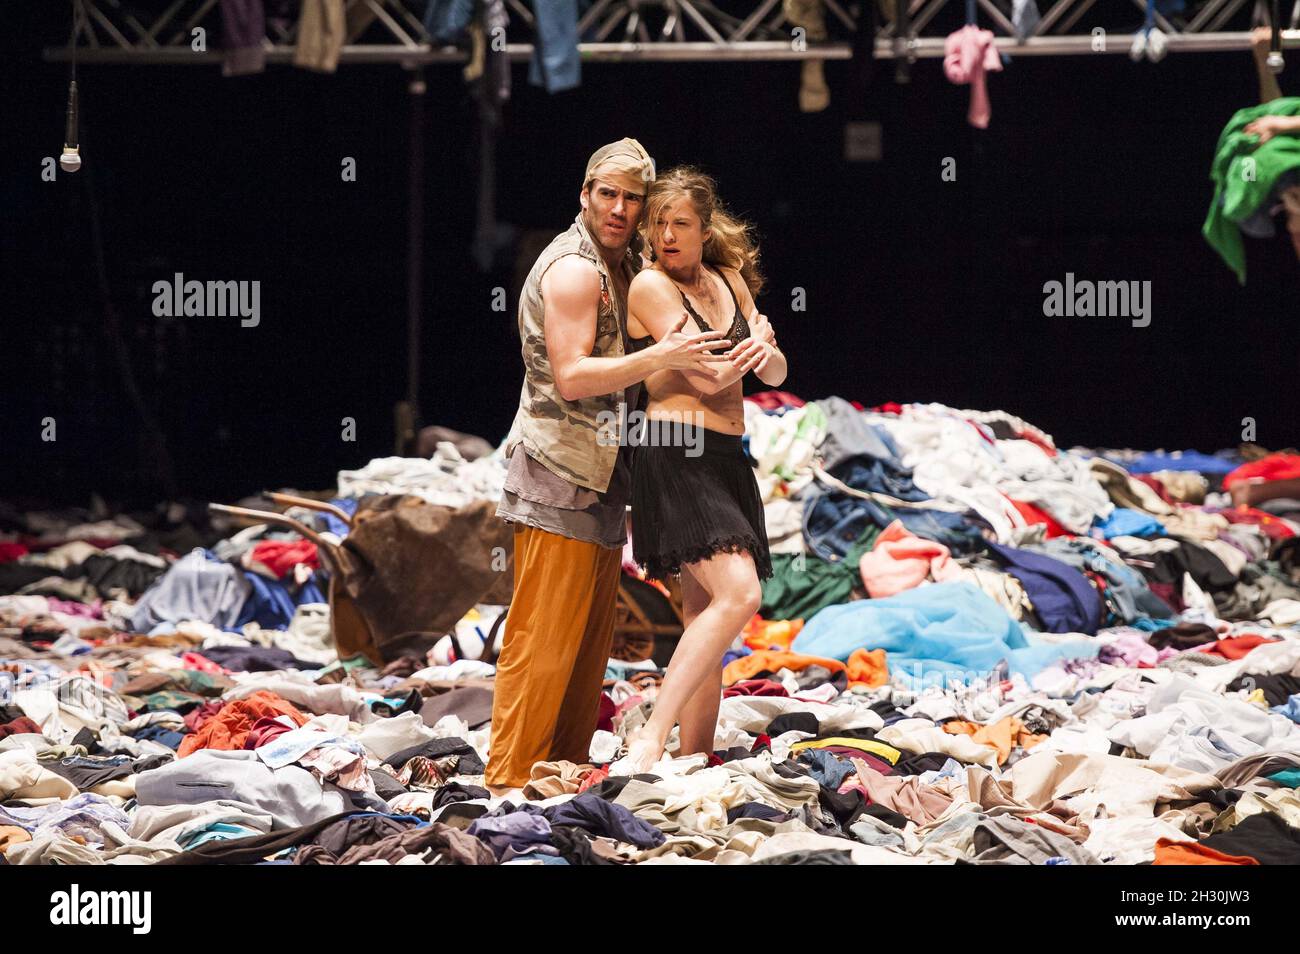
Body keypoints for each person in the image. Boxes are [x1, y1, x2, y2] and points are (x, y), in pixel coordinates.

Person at [486, 139, 768, 794]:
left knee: (586, 650)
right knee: (544, 639)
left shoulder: (624, 264)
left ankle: (555, 774)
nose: (620, 207)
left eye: (631, 198)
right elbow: (573, 375)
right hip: (561, 467)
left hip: (609, 467)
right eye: (607, 193)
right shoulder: (576, 270)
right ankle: (504, 783)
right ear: (585, 195)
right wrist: (662, 358)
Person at [618, 166, 789, 773]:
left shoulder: (729, 277)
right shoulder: (649, 287)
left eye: (680, 223)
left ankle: (693, 757)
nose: (667, 235)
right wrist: (752, 346)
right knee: (741, 592)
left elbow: (776, 373)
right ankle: (652, 735)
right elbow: (708, 372)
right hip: (674, 450)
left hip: (726, 457)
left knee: (702, 616)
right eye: (658, 223)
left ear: (704, 226)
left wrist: (762, 352)